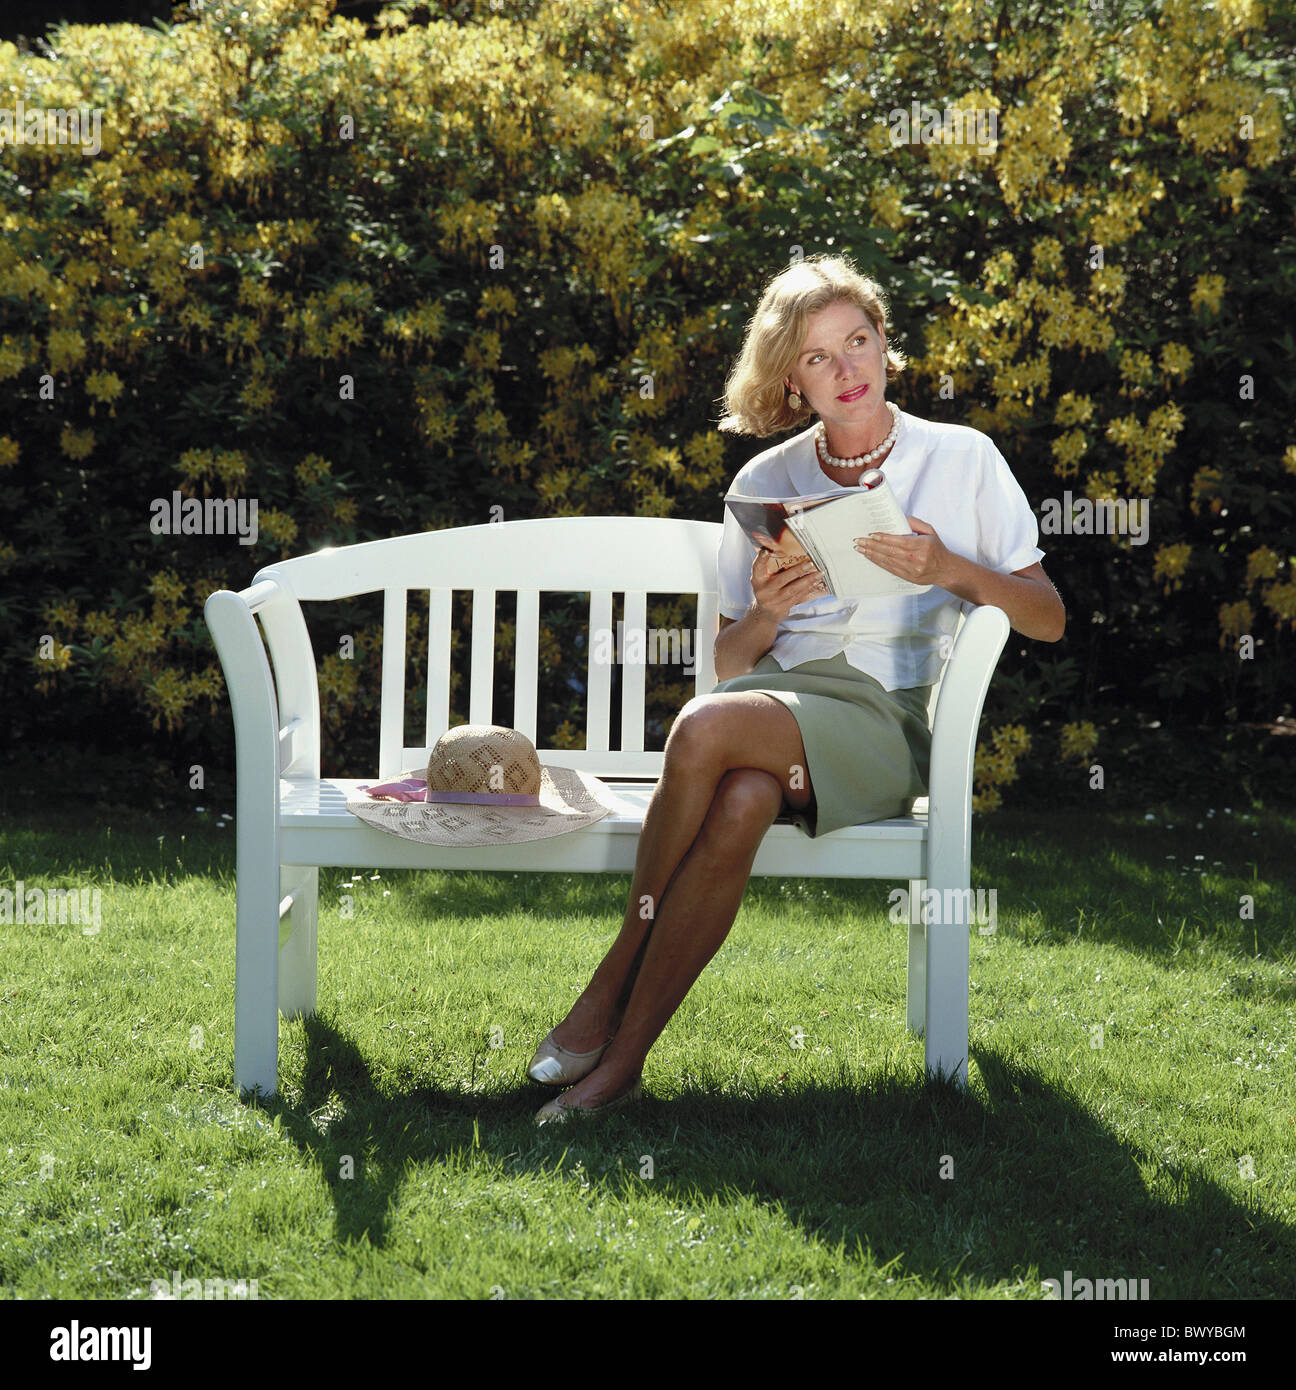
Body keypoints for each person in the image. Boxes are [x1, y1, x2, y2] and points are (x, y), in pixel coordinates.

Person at [529, 253, 1065, 1123]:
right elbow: (733, 663)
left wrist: (949, 568)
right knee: (738, 797)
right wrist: (768, 617)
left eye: (860, 341)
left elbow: (1047, 616)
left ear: (888, 345)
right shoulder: (766, 481)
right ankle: (618, 1069)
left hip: (888, 720)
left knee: (704, 733)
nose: (847, 369)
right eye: (819, 357)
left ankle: (614, 971)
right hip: (781, 708)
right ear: (790, 381)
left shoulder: (962, 459)